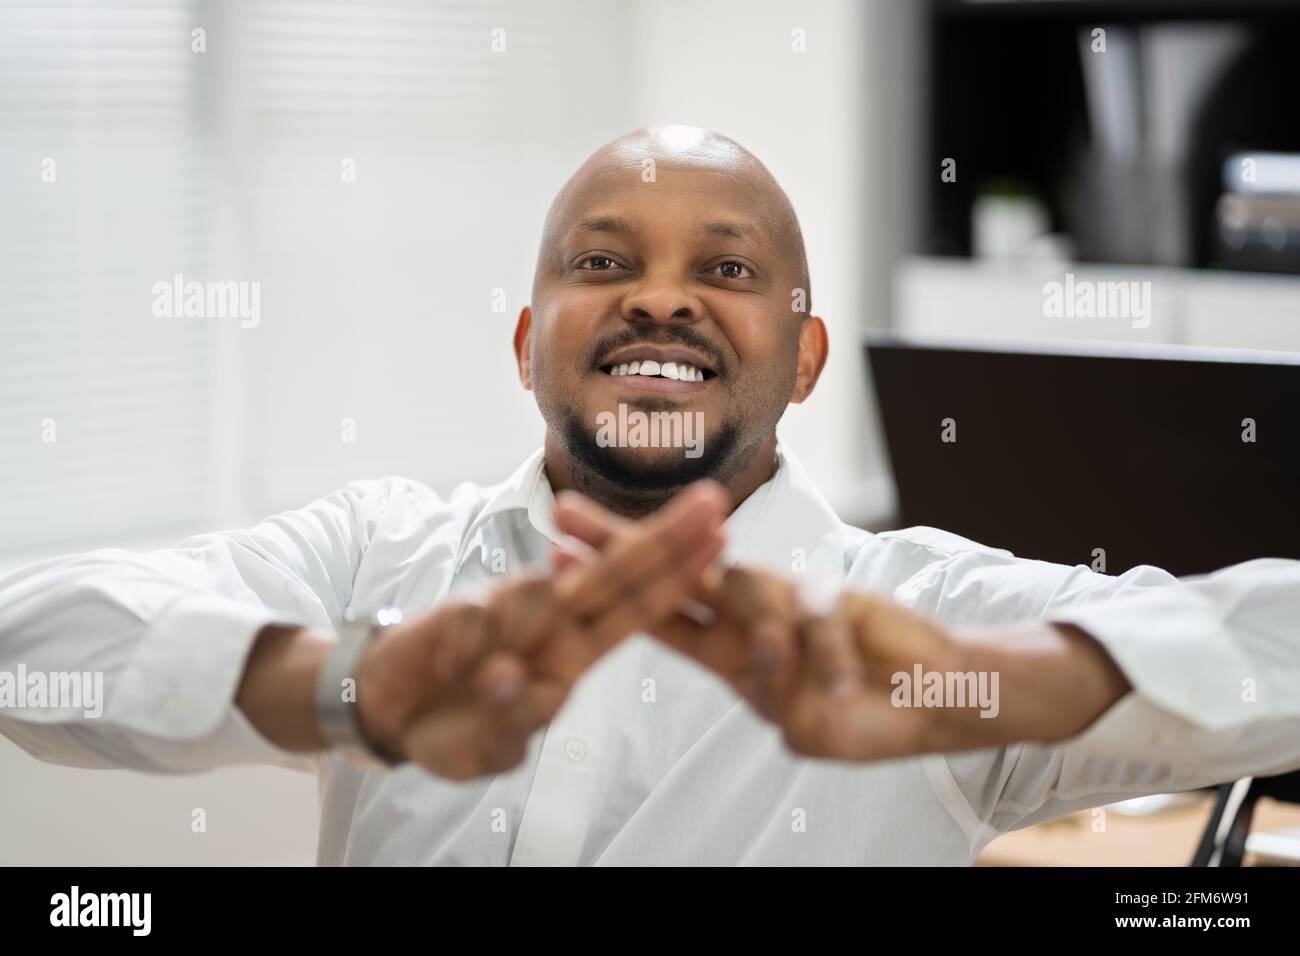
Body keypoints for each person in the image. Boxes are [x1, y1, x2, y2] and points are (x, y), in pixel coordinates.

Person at [2, 126, 1298, 866]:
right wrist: (349, 687)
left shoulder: (932, 618)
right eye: (602, 260)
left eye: (725, 268)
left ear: (804, 357)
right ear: (528, 342)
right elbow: (30, 642)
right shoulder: (374, 557)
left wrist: (1009, 689)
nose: (660, 296)